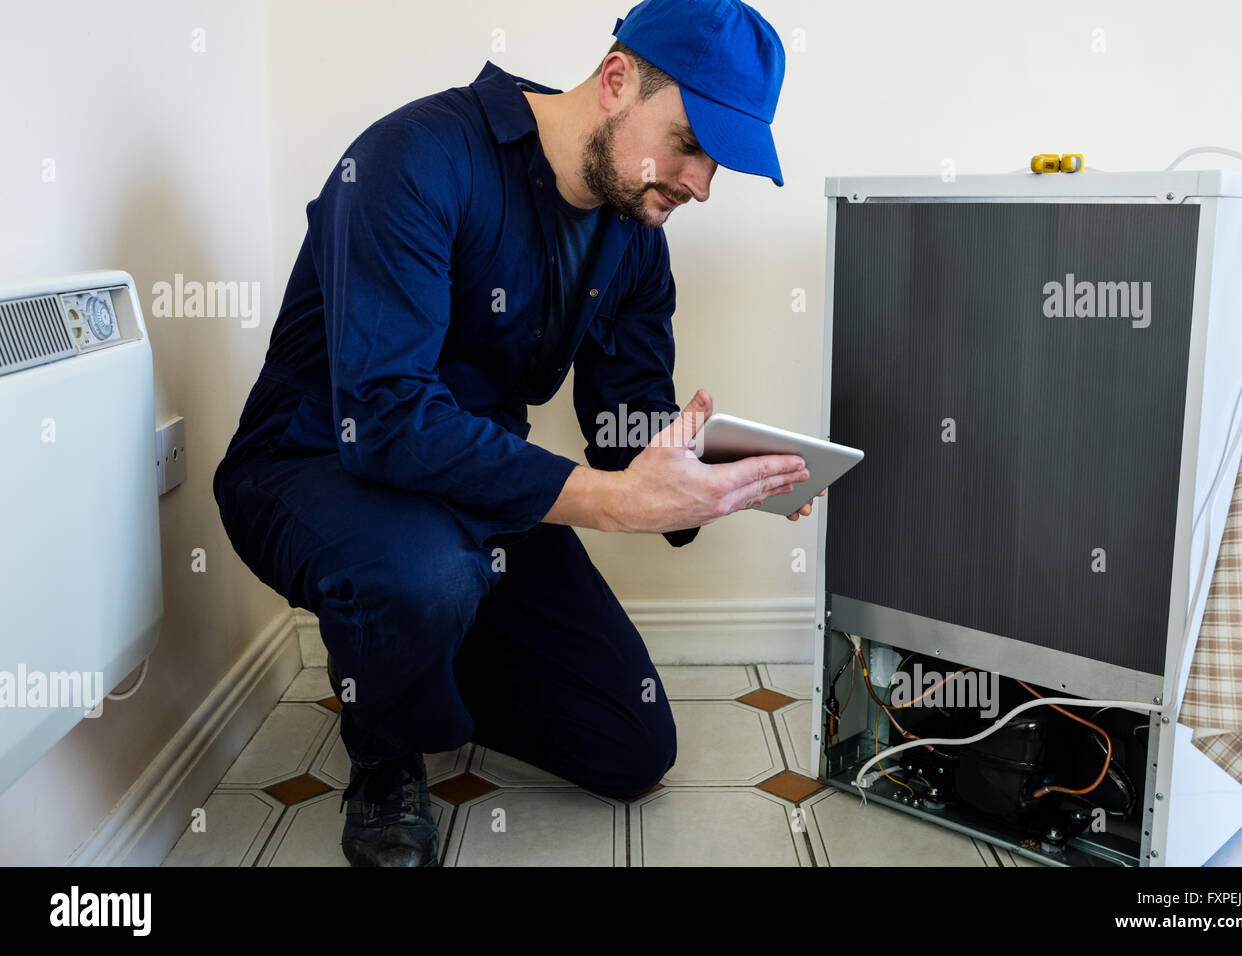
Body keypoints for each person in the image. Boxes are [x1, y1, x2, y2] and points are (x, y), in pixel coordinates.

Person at [212, 0, 819, 867]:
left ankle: (409, 657)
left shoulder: (635, 233)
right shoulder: (414, 156)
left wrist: (718, 478)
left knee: (630, 747)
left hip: (475, 491)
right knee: (421, 575)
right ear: (617, 81)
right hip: (315, 465)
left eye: (717, 164)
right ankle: (387, 756)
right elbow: (384, 415)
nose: (700, 184)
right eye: (688, 143)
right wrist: (607, 504)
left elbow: (625, 428)